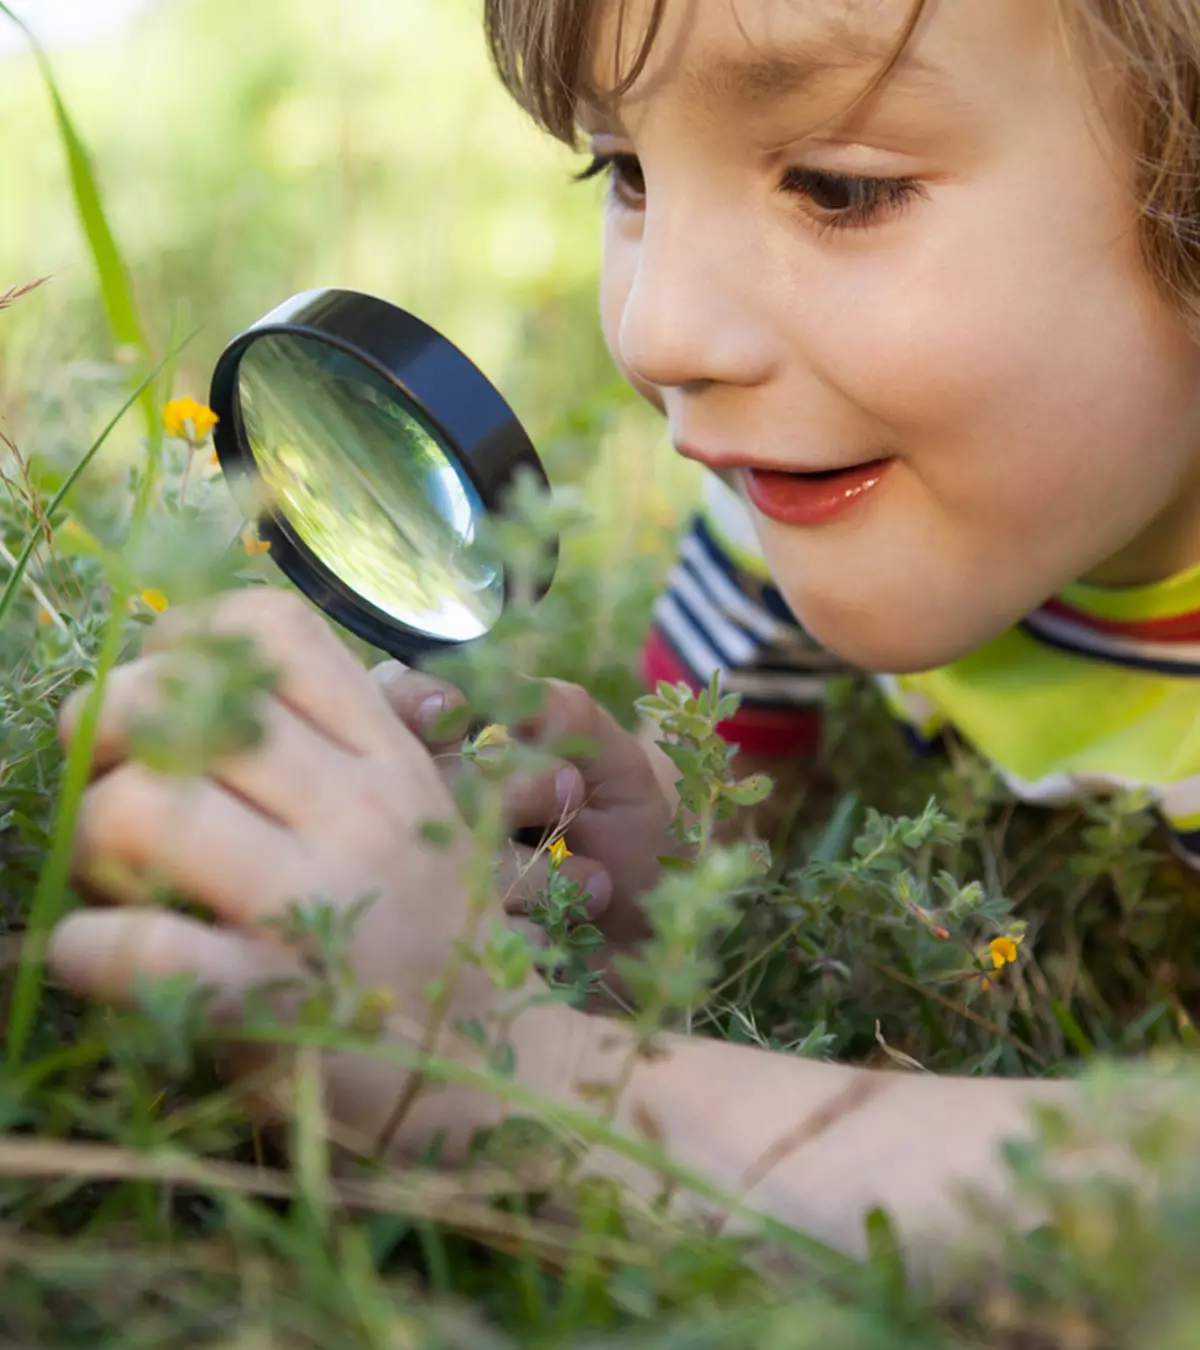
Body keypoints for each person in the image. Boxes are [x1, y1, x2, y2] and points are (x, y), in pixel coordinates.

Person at [46, 0, 1200, 1257]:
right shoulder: (789, 500)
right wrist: (642, 881)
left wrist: (522, 1083)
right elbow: (739, 810)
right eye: (628, 171)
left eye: (840, 187)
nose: (660, 332)